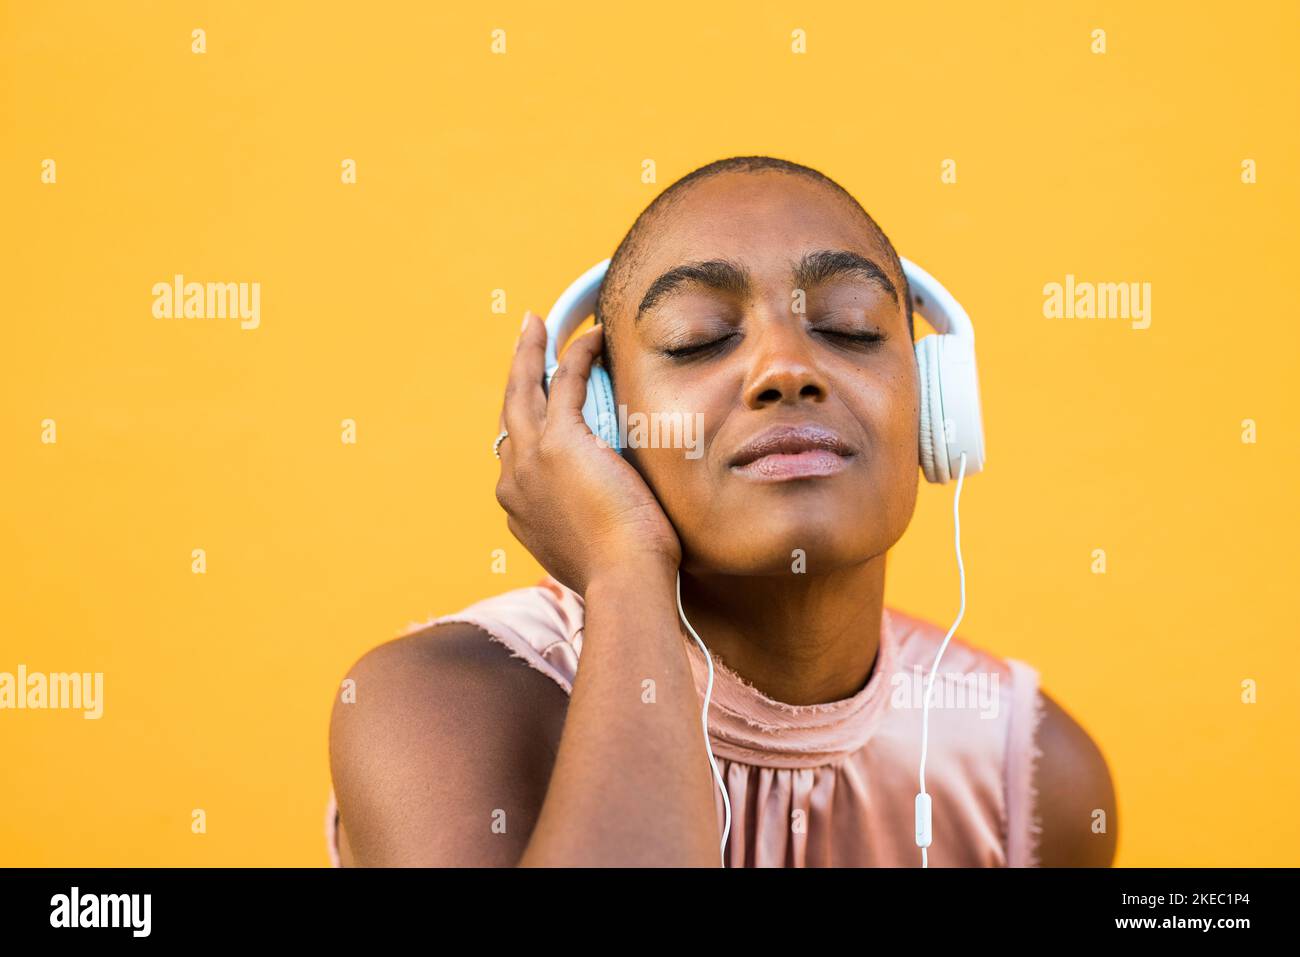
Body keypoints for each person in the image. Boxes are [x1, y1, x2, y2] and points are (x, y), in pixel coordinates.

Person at [326, 155, 1118, 867]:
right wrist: (622, 569)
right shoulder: (438, 709)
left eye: (847, 326)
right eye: (697, 339)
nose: (784, 369)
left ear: (937, 403)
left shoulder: (1034, 777)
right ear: (600, 424)